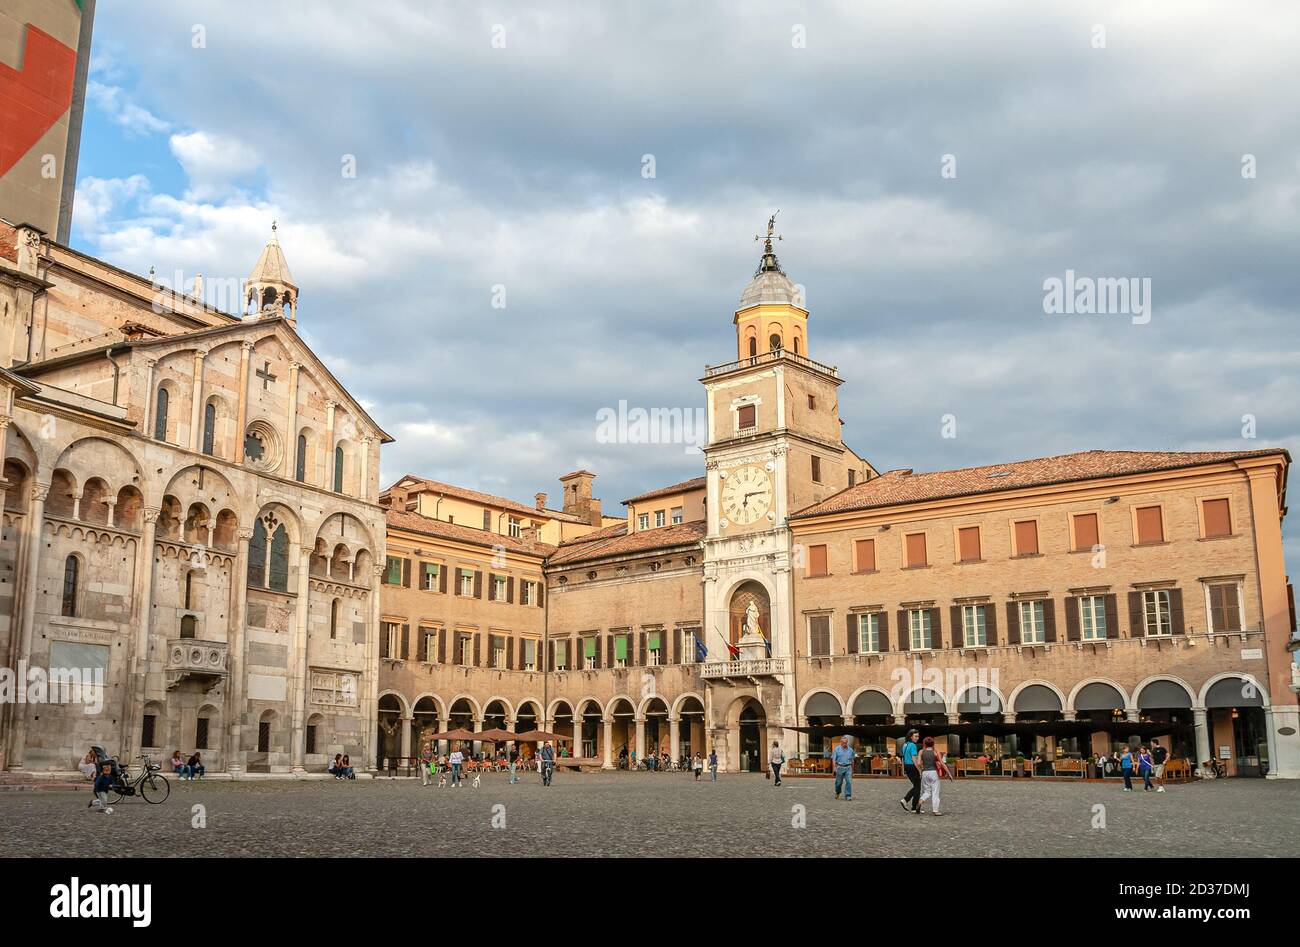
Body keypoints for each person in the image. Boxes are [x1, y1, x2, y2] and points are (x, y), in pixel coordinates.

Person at [917, 736, 943, 816]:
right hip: (933, 772)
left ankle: (920, 801)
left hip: (925, 772)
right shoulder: (935, 751)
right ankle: (935, 810)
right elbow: (941, 763)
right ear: (933, 744)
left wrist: (921, 769)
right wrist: (949, 773)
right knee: (935, 792)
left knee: (927, 791)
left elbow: (918, 763)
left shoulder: (921, 751)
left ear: (924, 743)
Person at [899, 731, 921, 813]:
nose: (917, 738)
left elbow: (904, 757)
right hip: (912, 766)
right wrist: (919, 770)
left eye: (918, 736)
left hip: (907, 767)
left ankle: (911, 806)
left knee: (916, 786)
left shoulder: (905, 745)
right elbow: (914, 759)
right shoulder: (913, 745)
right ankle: (909, 803)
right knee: (917, 787)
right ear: (911, 736)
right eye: (915, 736)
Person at [831, 735, 855, 801]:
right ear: (840, 742)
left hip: (848, 767)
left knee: (849, 782)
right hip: (840, 767)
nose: (844, 743)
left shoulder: (851, 750)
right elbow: (833, 759)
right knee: (838, 783)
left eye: (846, 742)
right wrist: (834, 768)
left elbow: (852, 760)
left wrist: (853, 770)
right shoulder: (837, 749)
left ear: (847, 742)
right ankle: (837, 792)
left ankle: (848, 795)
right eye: (843, 742)